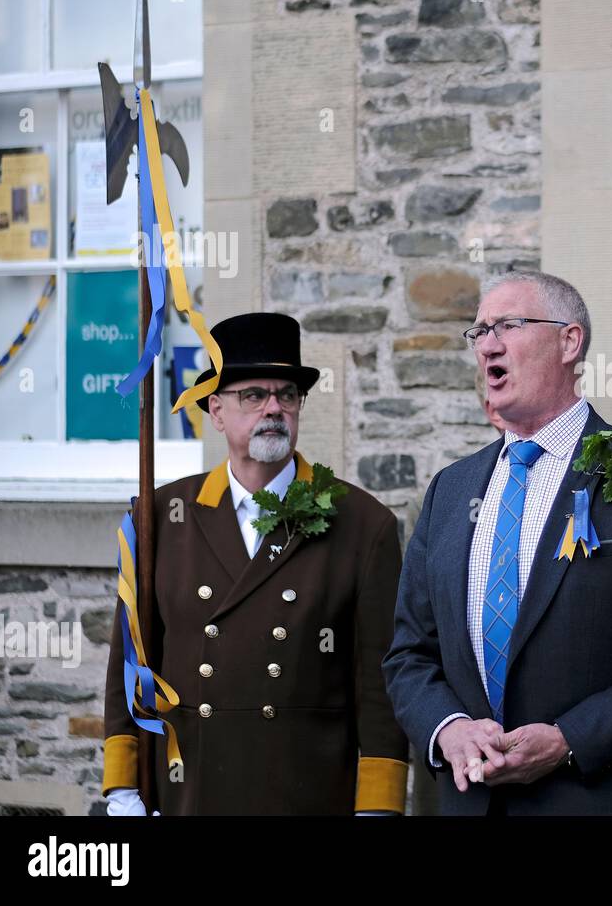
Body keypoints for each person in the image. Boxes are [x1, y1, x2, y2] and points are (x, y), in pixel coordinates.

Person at [382, 271, 612, 815]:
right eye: (479, 332)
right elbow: (409, 654)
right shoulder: (451, 490)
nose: (488, 344)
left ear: (570, 342)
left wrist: (570, 738)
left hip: (609, 798)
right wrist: (449, 730)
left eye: (509, 325)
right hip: (475, 801)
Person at [102, 313, 409, 815]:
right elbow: (130, 664)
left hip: (305, 796)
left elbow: (379, 686)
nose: (274, 408)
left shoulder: (361, 523)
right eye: (254, 395)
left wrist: (377, 806)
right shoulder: (159, 517)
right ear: (216, 412)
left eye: (287, 394)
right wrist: (123, 788)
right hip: (189, 793)